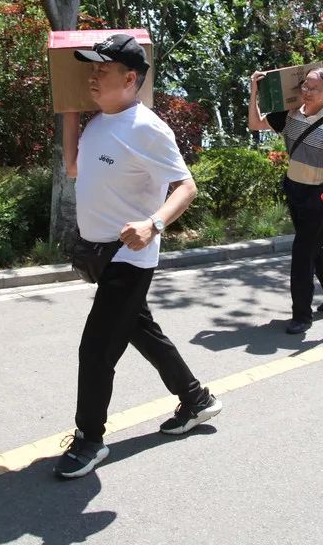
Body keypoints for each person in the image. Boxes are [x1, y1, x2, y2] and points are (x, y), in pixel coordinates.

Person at [54, 33, 222, 479]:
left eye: (102, 70)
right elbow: (73, 167)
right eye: (91, 70)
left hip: (129, 259)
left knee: (96, 350)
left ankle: (89, 440)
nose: (93, 77)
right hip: (100, 253)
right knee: (140, 330)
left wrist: (154, 224)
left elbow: (186, 185)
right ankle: (196, 399)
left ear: (130, 79)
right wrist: (69, 111)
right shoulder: (98, 122)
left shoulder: (147, 128)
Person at [249, 65, 323, 335]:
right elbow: (255, 124)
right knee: (312, 249)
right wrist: (254, 92)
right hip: (294, 189)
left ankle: (301, 316)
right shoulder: (290, 114)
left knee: (301, 254)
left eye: (314, 88)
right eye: (305, 86)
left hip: (320, 197)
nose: (306, 91)